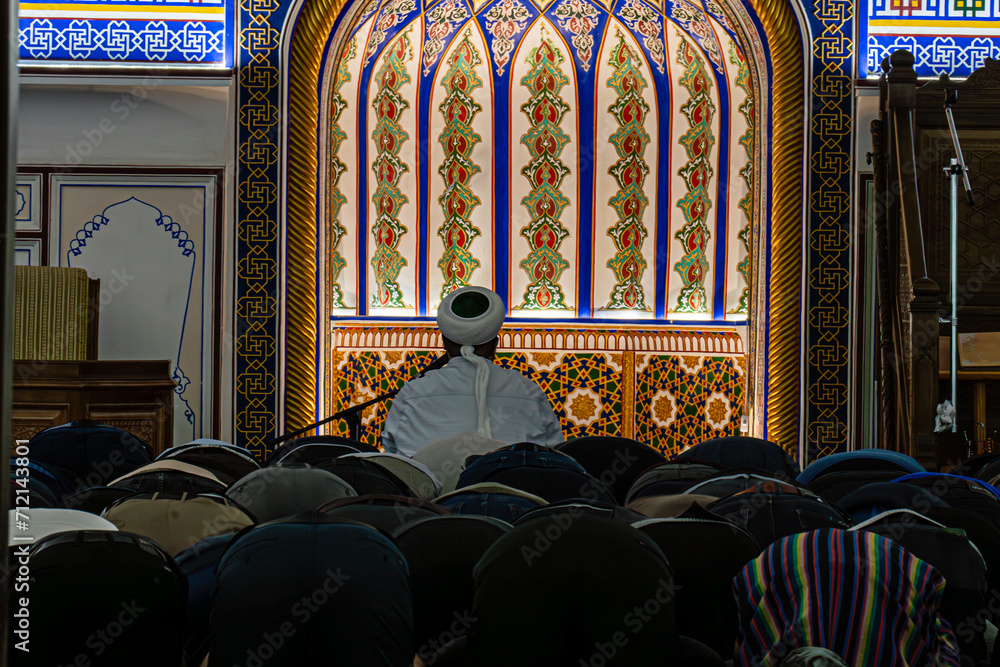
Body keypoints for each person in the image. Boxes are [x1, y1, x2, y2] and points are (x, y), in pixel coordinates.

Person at [381, 285, 563, 457]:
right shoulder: (528, 391)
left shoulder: (412, 392)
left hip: (427, 490)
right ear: (495, 344)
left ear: (444, 343)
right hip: (510, 489)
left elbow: (394, 455)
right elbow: (555, 454)